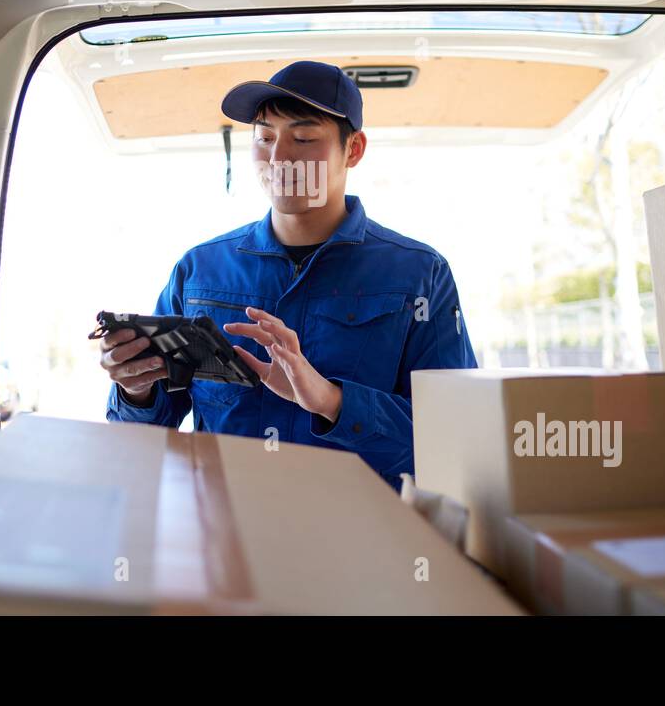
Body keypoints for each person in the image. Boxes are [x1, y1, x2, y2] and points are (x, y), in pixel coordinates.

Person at [102, 59, 477, 492]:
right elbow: (140, 435)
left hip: (362, 540)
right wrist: (135, 390)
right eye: (264, 138)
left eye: (302, 138)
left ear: (353, 149)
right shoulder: (198, 270)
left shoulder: (420, 274)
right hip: (222, 533)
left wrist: (330, 401)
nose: (278, 157)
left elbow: (455, 440)